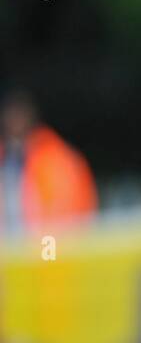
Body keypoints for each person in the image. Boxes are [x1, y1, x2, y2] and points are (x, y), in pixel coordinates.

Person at [0, 88, 97, 234]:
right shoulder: (6, 158)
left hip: (50, 250)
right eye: (11, 114)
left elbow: (77, 213)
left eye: (19, 113)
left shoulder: (60, 160)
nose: (15, 119)